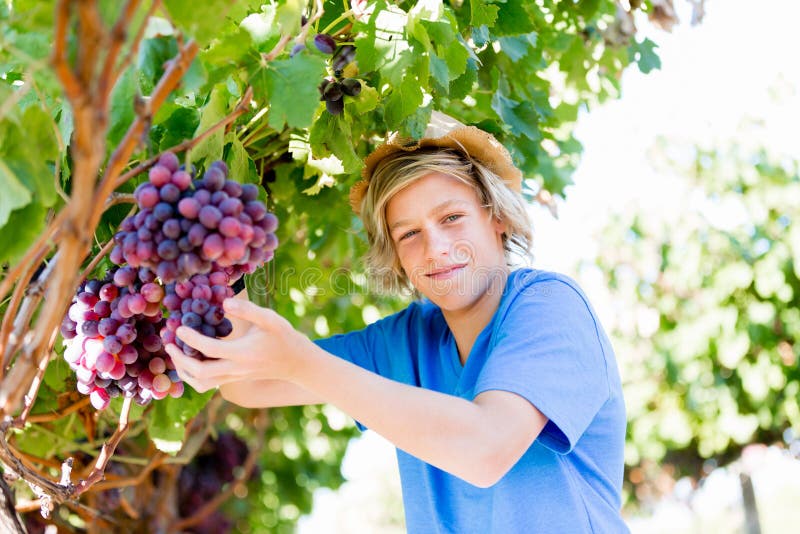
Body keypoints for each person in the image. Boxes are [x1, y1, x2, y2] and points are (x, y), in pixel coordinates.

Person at [165, 112, 630, 533]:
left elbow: (486, 449)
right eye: (409, 234)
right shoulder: (406, 341)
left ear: (497, 219)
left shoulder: (549, 306)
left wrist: (300, 360)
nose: (436, 249)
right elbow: (253, 382)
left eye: (452, 217)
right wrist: (219, 244)